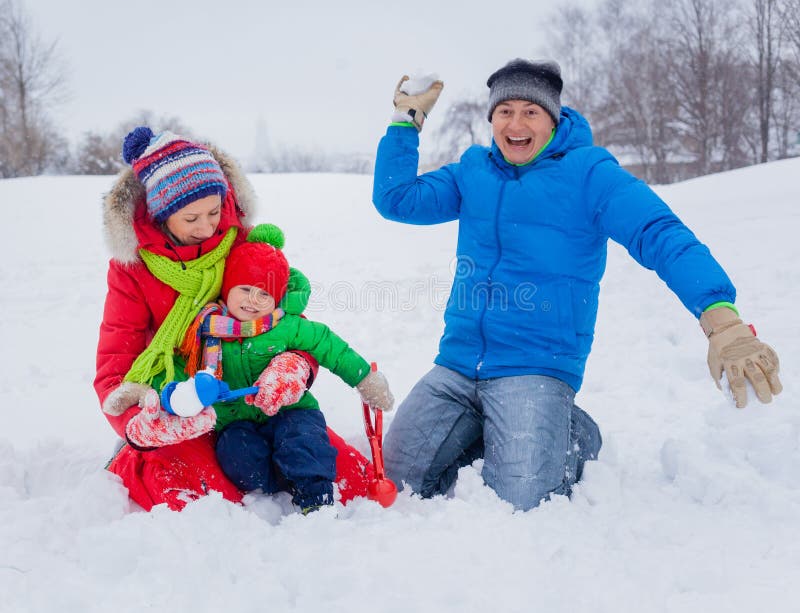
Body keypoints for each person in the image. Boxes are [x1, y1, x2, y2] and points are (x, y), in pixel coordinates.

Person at [372, 59, 783, 512]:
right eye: (505, 110)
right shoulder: (474, 171)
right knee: (394, 478)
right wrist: (406, 121)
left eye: (531, 111)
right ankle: (492, 427)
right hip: (457, 363)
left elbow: (660, 234)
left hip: (534, 365)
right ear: (492, 120)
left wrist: (720, 318)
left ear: (553, 118)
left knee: (519, 500)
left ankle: (571, 431)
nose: (516, 123)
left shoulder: (589, 174)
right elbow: (397, 200)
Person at [96, 127, 369, 511]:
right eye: (191, 217)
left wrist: (296, 366)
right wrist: (137, 425)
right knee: (202, 501)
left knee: (350, 482)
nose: (208, 227)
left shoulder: (239, 239)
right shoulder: (132, 269)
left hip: (253, 397)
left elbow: (290, 322)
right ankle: (135, 454)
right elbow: (114, 361)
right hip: (183, 406)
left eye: (213, 211)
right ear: (160, 214)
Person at [165, 223, 393, 512]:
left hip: (291, 410)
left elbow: (328, 345)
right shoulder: (203, 331)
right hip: (235, 421)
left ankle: (316, 498)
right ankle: (274, 486)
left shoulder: (286, 326)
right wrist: (173, 395)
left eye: (264, 295)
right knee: (236, 453)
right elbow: (176, 366)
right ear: (226, 289)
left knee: (303, 442)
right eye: (245, 289)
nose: (253, 300)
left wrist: (364, 378)